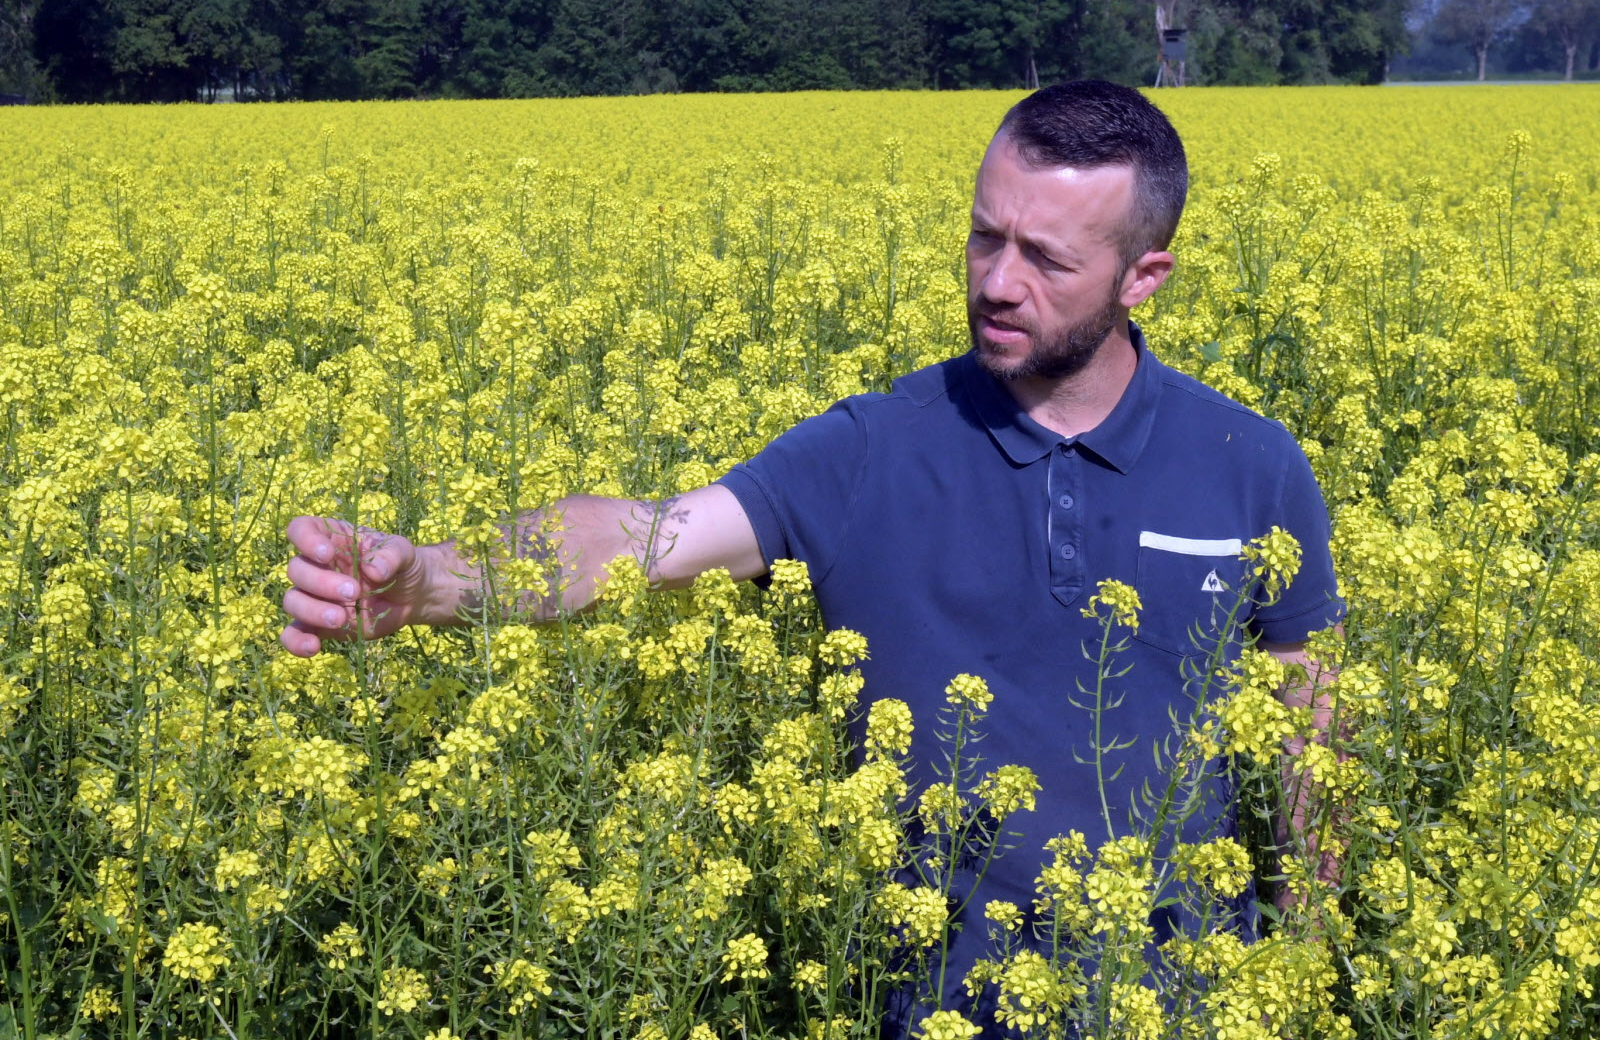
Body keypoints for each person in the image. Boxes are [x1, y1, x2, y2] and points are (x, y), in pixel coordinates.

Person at [279, 81, 1344, 1034]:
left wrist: (1305, 959)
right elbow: (635, 535)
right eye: (983, 238)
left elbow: (1308, 732)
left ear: (1142, 276)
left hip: (1189, 998)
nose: (997, 283)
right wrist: (434, 581)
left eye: (1047, 259)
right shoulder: (869, 446)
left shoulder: (1249, 465)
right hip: (934, 1001)